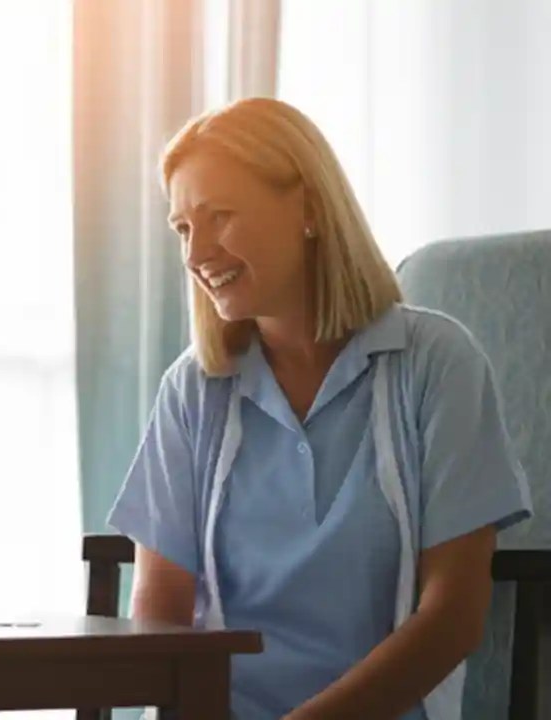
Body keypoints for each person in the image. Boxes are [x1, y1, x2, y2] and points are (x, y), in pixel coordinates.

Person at [108, 98, 532, 720]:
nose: (196, 254)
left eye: (218, 216)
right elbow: (159, 620)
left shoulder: (435, 363)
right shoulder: (194, 390)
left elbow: (454, 617)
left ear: (308, 208)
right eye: (182, 229)